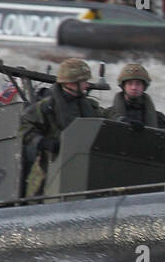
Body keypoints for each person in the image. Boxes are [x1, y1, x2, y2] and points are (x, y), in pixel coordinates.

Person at [17, 57, 103, 195]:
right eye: (83, 81)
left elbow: (103, 118)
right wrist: (43, 142)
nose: (87, 85)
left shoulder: (88, 105)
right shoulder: (47, 105)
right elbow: (23, 129)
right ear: (71, 83)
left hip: (79, 165)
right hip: (49, 167)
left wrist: (120, 118)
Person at [104, 63, 165, 130]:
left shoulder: (158, 119)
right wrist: (123, 121)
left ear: (144, 86)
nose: (134, 87)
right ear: (123, 86)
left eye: (138, 84)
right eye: (130, 83)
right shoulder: (109, 114)